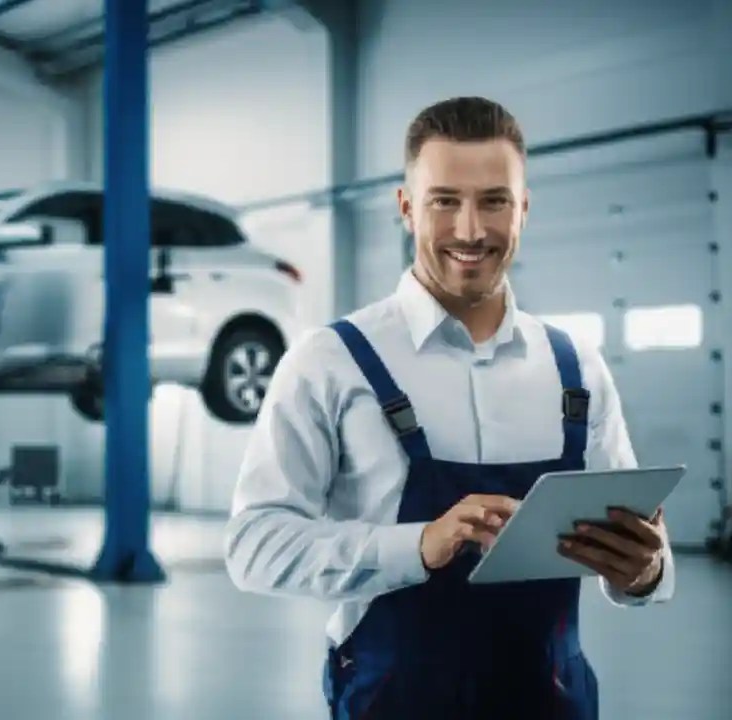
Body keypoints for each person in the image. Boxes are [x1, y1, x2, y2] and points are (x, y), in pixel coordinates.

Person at [223, 96, 675, 719]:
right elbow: (254, 545)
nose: (469, 230)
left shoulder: (577, 368)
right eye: (444, 201)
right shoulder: (329, 361)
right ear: (407, 208)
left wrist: (646, 572)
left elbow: (638, 535)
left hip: (554, 699)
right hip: (395, 700)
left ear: (524, 209)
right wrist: (417, 545)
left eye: (494, 200)